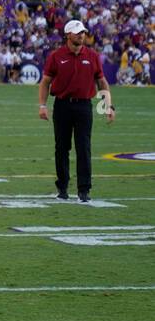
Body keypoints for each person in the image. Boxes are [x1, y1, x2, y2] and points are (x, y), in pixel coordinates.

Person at [38, 19, 115, 203]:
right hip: (62, 105)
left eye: (83, 32)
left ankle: (84, 190)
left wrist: (107, 106)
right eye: (78, 32)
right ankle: (63, 187)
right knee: (62, 148)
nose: (82, 35)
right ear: (68, 34)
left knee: (84, 148)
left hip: (84, 107)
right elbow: (46, 82)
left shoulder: (92, 55)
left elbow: (102, 82)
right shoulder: (56, 56)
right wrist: (42, 105)